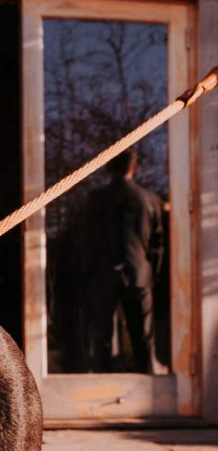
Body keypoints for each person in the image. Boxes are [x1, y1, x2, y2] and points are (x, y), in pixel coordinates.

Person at [85, 149, 166, 374]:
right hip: (139, 273)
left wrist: (90, 270)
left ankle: (104, 381)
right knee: (143, 335)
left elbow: (87, 238)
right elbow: (157, 244)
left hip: (103, 274)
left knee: (103, 335)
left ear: (109, 168)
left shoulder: (96, 199)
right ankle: (146, 383)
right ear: (134, 167)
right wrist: (151, 271)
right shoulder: (149, 199)